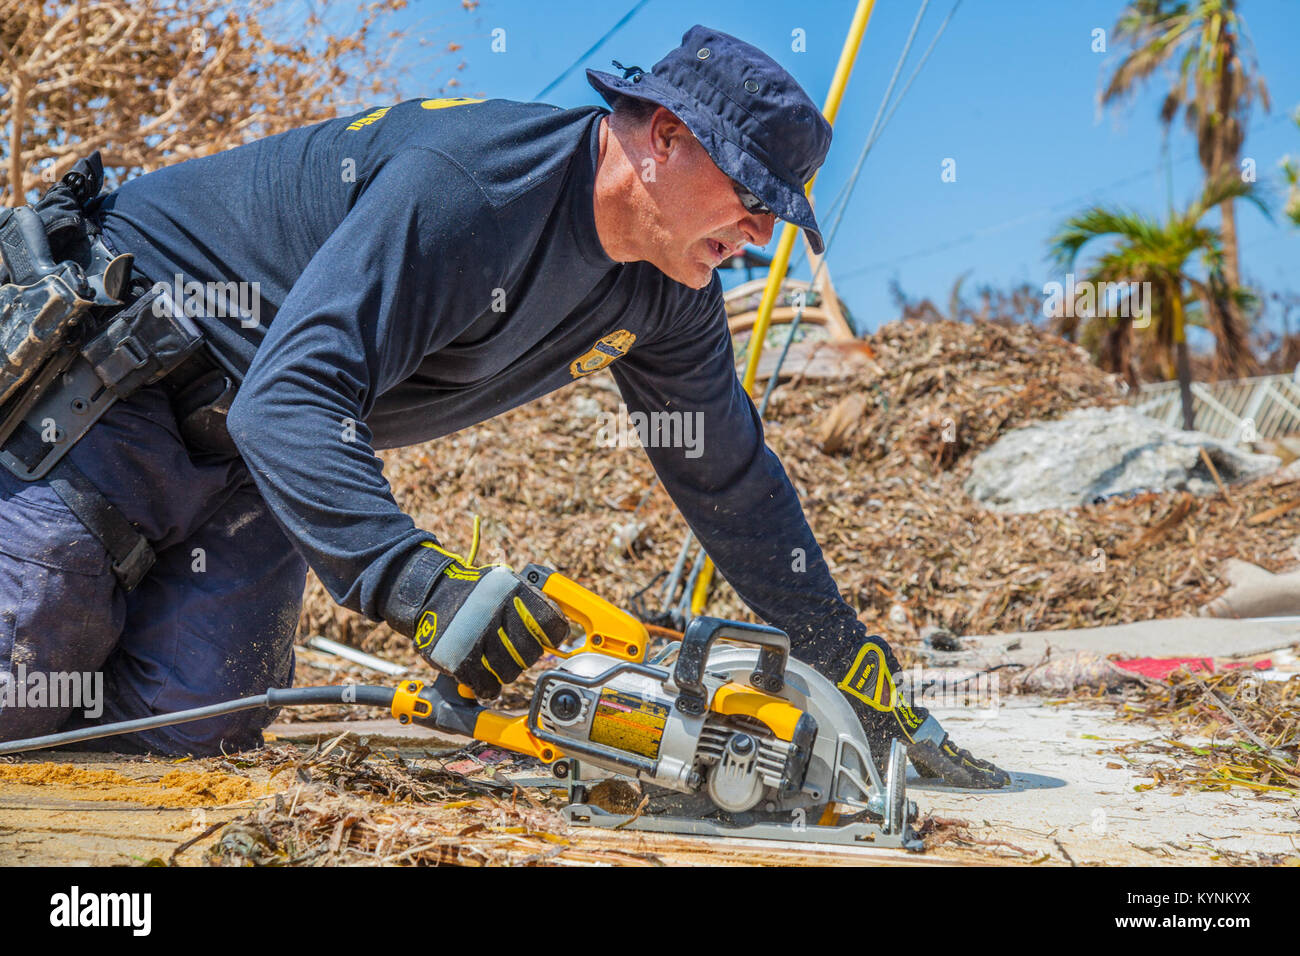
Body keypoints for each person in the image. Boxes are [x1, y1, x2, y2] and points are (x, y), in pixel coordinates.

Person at [0, 24, 1008, 788]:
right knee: (27, 674)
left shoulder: (670, 292)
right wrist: (421, 584)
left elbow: (728, 476)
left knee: (193, 732)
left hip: (262, 458)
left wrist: (849, 665)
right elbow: (292, 393)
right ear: (662, 137)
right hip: (110, 392)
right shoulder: (471, 190)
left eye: (775, 212)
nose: (753, 230)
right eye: (747, 193)